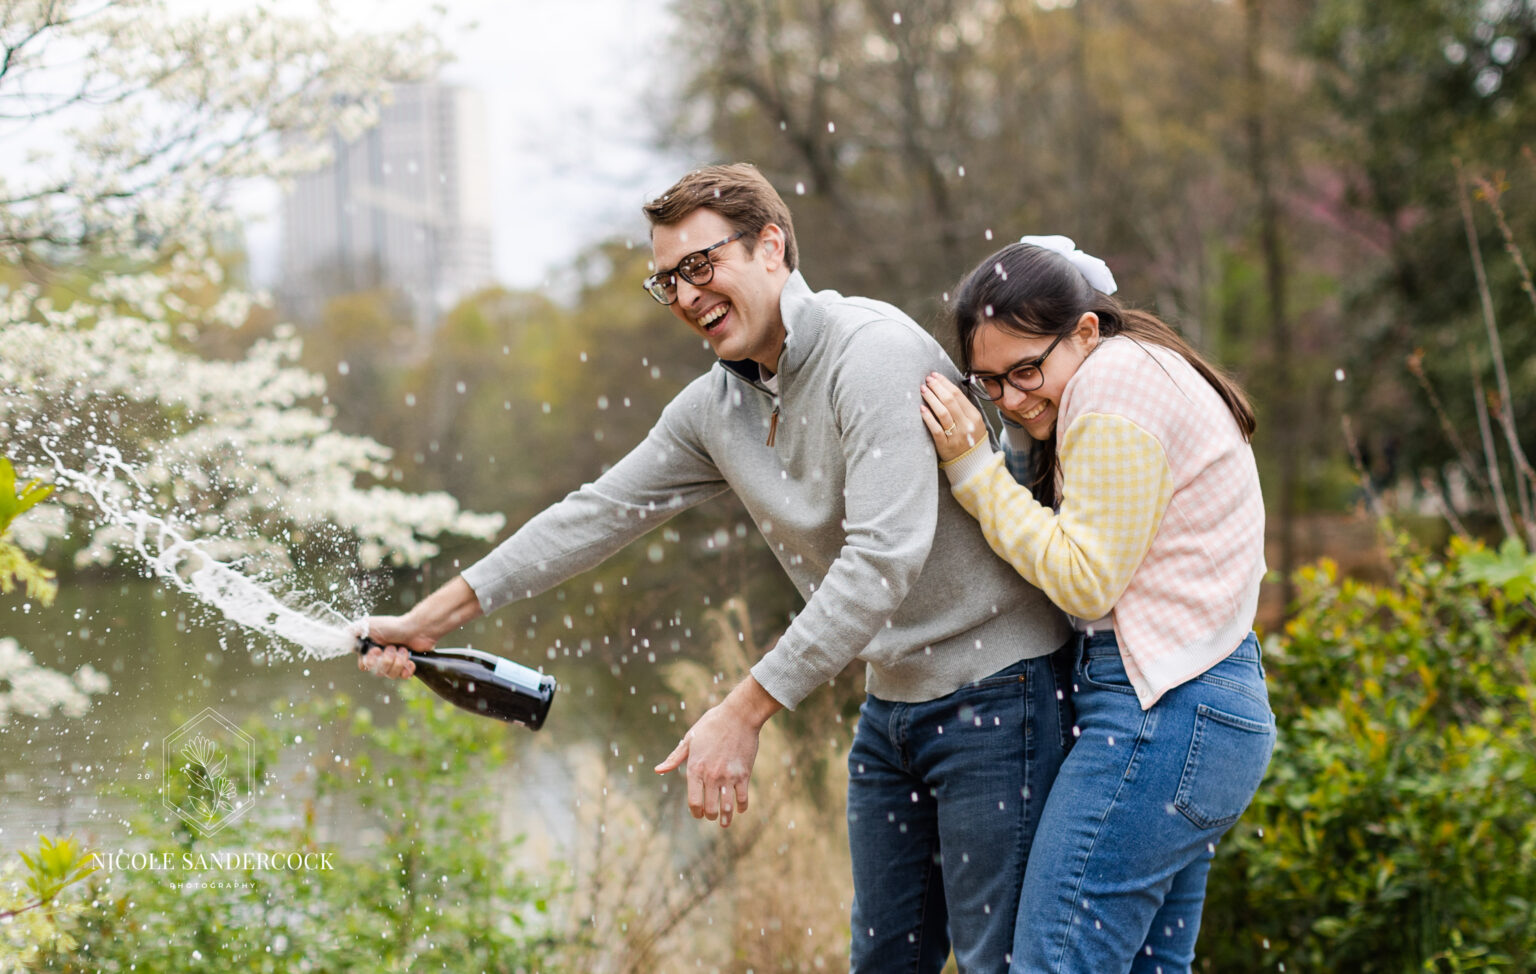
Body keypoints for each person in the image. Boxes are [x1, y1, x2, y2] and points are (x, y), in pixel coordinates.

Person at [360, 164, 1074, 972]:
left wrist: (743, 710)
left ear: (772, 247)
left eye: (701, 266)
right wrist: (428, 620)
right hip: (894, 709)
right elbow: (593, 515)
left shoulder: (868, 354)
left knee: (1005, 965)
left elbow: (883, 561)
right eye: (667, 282)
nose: (687, 296)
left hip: (1000, 694)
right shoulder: (717, 408)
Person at [918, 236, 1276, 973]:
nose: (1014, 400)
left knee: (1055, 963)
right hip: (1205, 712)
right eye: (991, 382)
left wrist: (973, 471)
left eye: (1025, 370)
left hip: (1160, 715)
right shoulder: (1137, 371)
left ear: (1084, 329)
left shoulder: (1111, 393)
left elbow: (1086, 581)